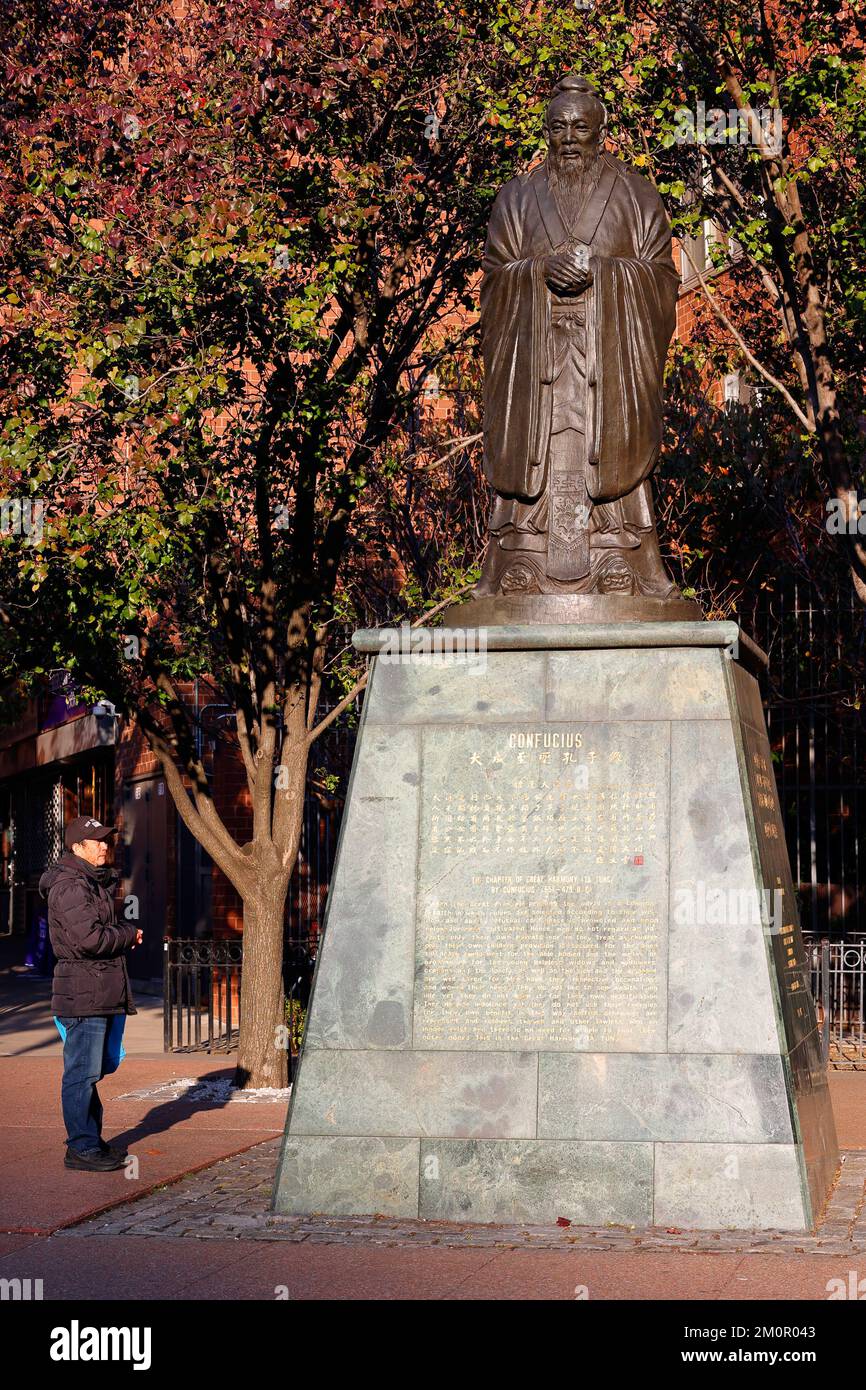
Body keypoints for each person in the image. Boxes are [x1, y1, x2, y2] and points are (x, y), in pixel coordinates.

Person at [39, 816, 142, 1171]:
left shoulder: (90, 882)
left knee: (95, 1069)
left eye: (105, 840)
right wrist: (128, 935)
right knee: (81, 1072)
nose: (104, 846)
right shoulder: (70, 886)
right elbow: (90, 939)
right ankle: (81, 1147)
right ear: (76, 847)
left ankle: (90, 1140)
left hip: (97, 989)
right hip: (83, 991)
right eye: (96, 841)